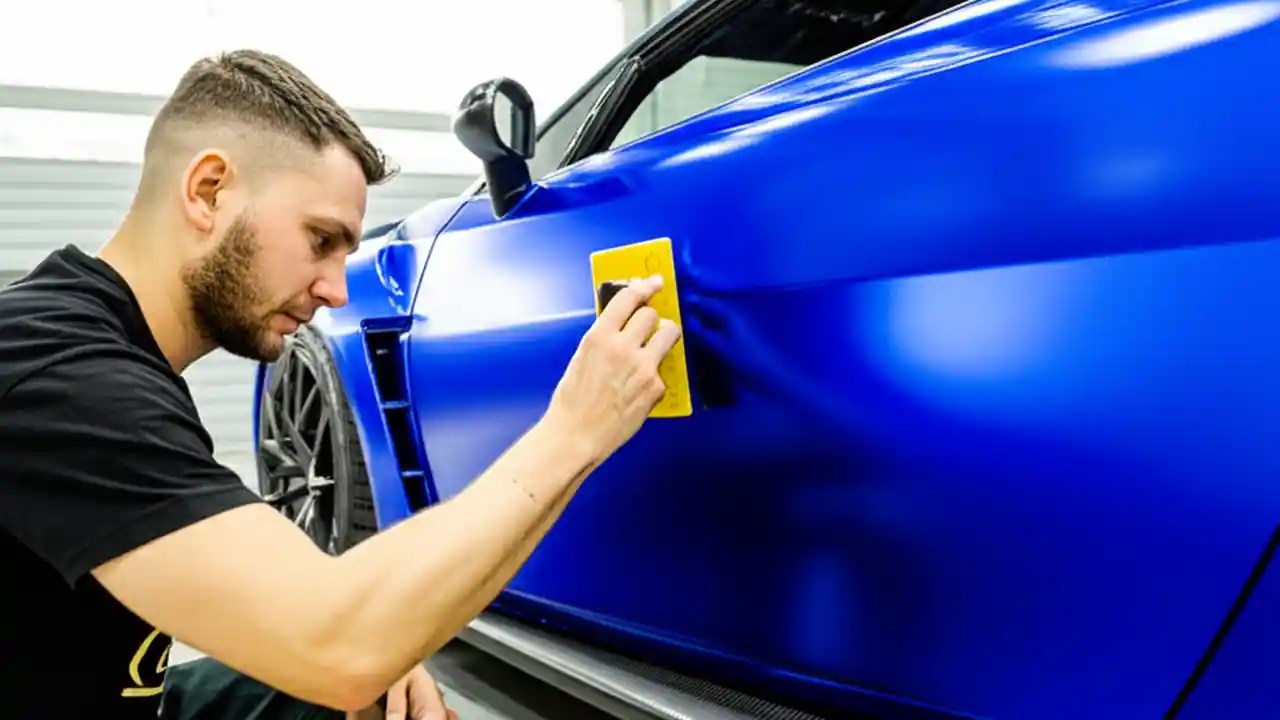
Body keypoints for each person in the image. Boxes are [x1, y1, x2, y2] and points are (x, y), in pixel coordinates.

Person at [0, 49, 681, 719]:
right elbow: (338, 645)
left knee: (362, 687)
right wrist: (574, 432)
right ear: (208, 191)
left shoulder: (116, 358)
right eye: (321, 239)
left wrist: (364, 642)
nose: (333, 289)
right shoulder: (56, 368)